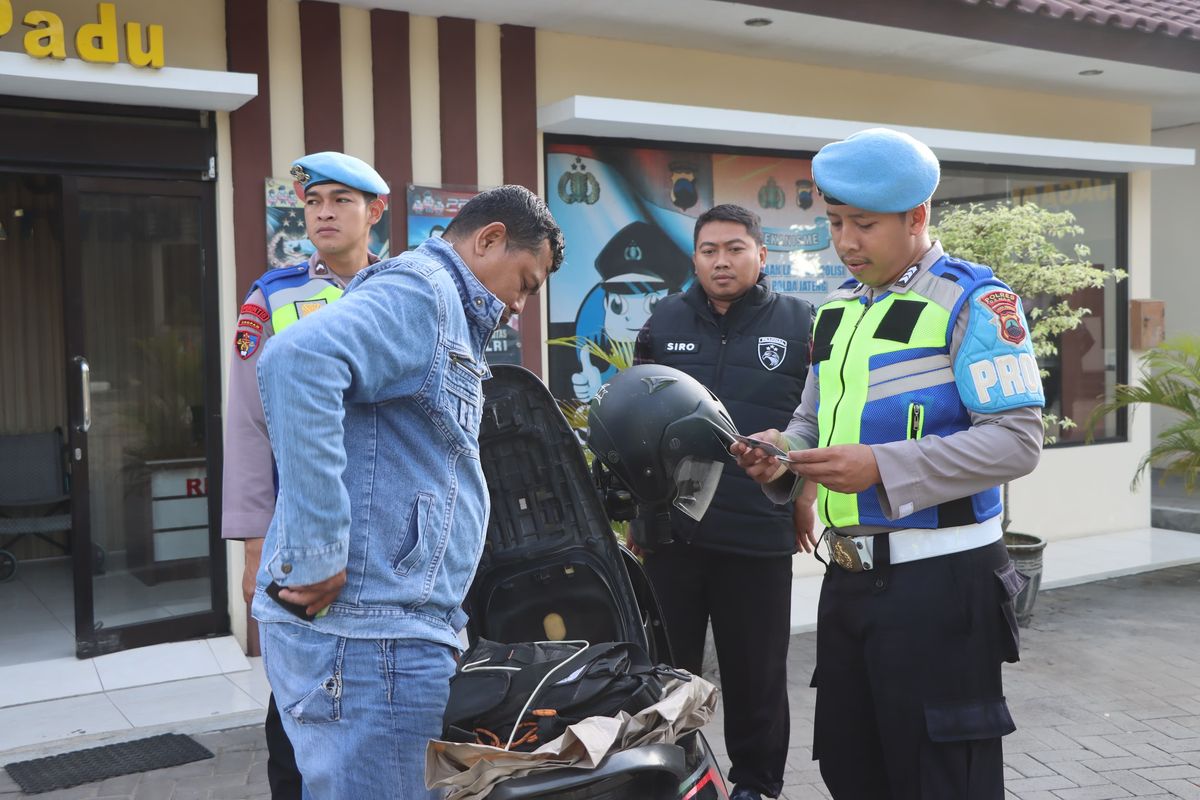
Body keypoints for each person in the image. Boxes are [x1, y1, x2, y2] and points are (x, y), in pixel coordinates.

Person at [734, 128, 1044, 800]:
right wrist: (782, 458)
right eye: (835, 222)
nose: (845, 242)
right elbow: (812, 423)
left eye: (863, 225)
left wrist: (883, 466)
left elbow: (1018, 441)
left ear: (917, 217)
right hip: (848, 584)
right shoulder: (839, 311)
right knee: (853, 768)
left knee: (938, 781)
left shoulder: (975, 303)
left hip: (943, 588)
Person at [252, 185, 563, 798]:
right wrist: (317, 551)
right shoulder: (423, 291)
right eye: (525, 283)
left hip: (384, 630)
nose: (522, 306)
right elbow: (295, 361)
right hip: (370, 637)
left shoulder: (439, 299)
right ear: (490, 238)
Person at [631, 204, 813, 800]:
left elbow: (817, 422)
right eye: (709, 250)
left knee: (756, 674)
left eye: (735, 248)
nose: (721, 260)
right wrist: (639, 514)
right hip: (673, 535)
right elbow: (639, 425)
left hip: (757, 532)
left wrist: (802, 499)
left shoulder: (799, 324)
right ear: (695, 257)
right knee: (668, 673)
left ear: (761, 255)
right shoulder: (663, 321)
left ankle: (757, 785)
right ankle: (674, 775)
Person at [222, 150, 388, 799]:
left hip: (385, 525)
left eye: (340, 201)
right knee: (295, 694)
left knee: (381, 687)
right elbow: (248, 426)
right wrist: (254, 540)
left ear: (374, 211)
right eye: (314, 201)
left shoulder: (404, 292)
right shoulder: (274, 296)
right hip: (299, 526)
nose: (323, 212)